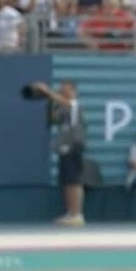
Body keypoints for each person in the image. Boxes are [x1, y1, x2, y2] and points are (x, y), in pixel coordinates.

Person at [30, 80, 86, 226]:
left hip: (74, 147)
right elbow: (53, 120)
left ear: (74, 92)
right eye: (61, 91)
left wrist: (47, 91)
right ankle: (70, 213)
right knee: (66, 182)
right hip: (63, 148)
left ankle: (77, 213)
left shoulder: (75, 105)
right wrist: (50, 103)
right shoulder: (63, 108)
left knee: (74, 181)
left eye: (66, 91)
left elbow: (67, 103)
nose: (63, 93)